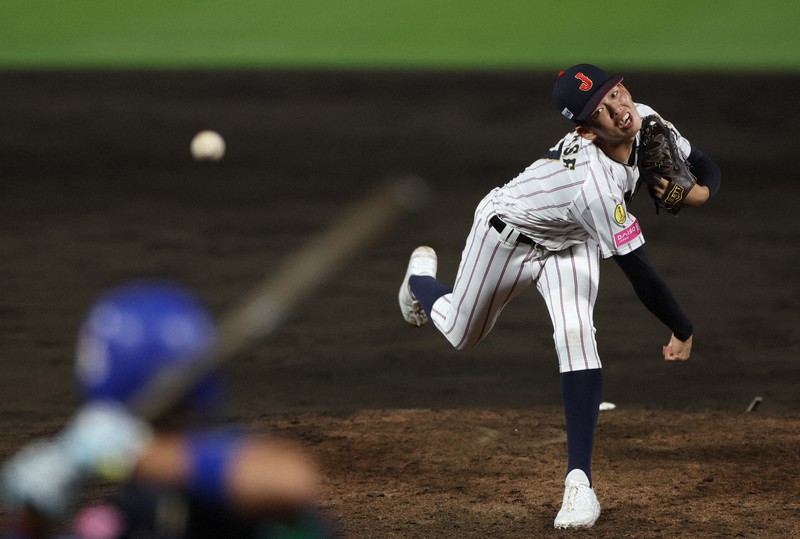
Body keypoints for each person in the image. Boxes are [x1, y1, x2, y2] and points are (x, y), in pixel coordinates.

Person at [397, 64, 721, 529]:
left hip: (572, 240)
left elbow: (705, 163)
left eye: (616, 94)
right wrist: (682, 327)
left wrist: (702, 194)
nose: (619, 110)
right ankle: (419, 283)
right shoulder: (591, 185)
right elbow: (640, 272)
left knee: (576, 334)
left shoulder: (647, 120)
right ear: (586, 131)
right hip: (505, 235)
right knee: (460, 333)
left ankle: (579, 485)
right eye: (602, 111)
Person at [2, 280, 332, 539]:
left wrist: (134, 452)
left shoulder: (235, 473)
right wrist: (36, 517)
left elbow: (289, 482)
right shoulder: (128, 512)